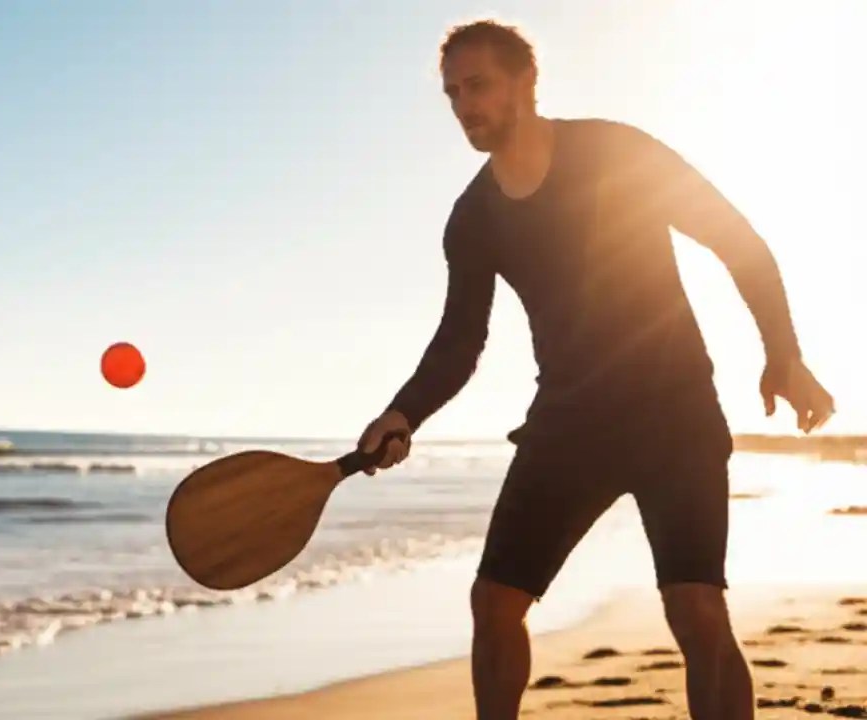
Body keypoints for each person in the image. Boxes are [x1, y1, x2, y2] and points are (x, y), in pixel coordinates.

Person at [356, 19, 836, 720]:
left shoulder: (613, 150)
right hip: (568, 425)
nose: (464, 105)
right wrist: (404, 412)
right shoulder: (473, 218)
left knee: (696, 609)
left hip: (674, 414)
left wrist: (782, 354)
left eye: (479, 85)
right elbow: (461, 341)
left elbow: (738, 241)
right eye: (453, 93)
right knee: (494, 605)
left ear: (527, 80)